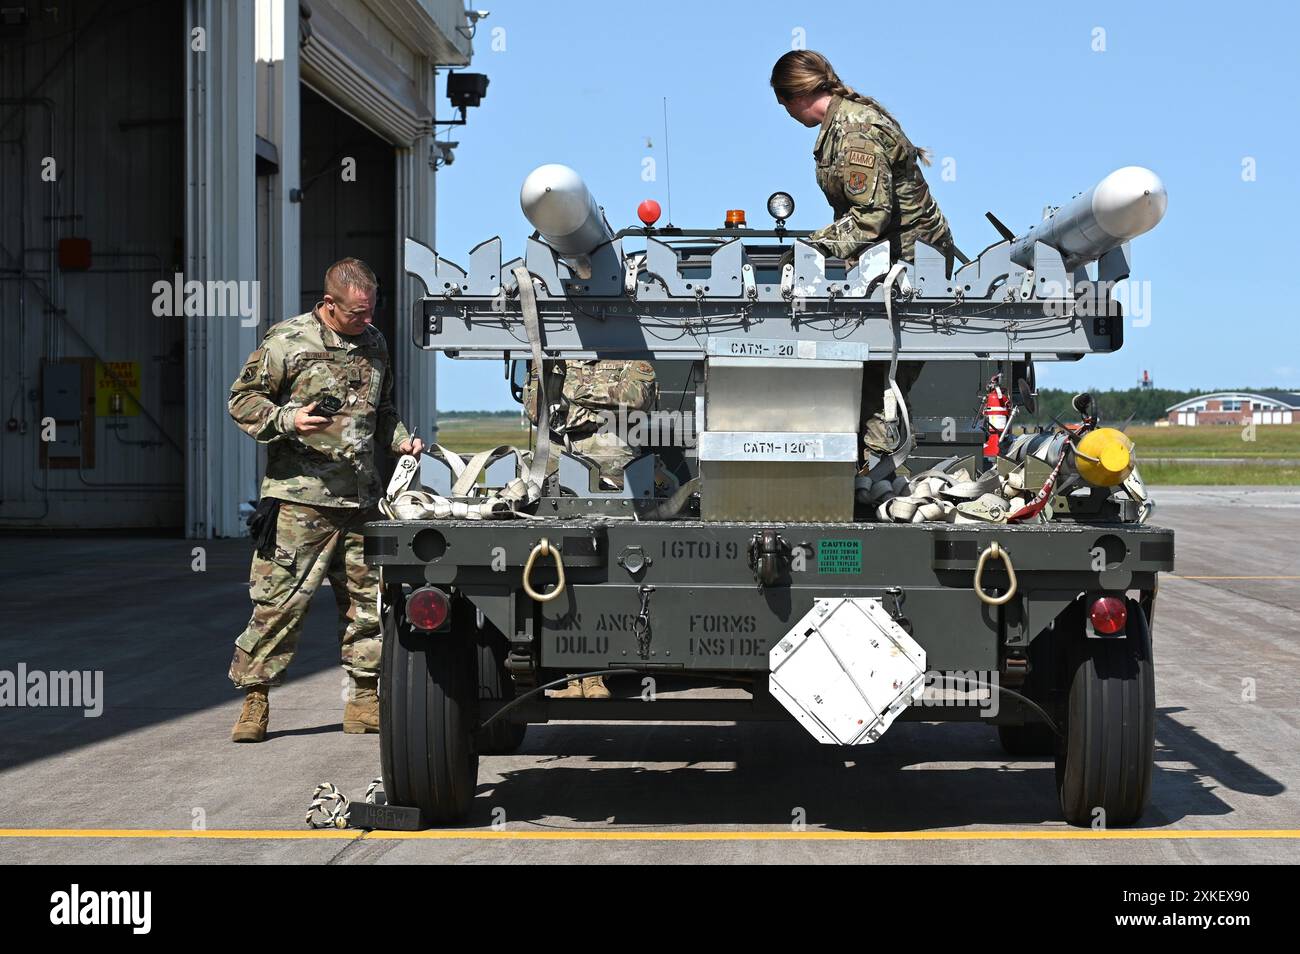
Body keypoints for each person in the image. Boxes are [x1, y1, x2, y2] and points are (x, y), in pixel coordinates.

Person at [226, 258, 424, 742]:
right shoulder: (287, 341)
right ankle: (256, 700)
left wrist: (400, 439)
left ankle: (363, 700)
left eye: (371, 310)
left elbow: (383, 410)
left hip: (360, 500)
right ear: (328, 304)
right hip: (301, 501)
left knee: (368, 605)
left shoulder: (375, 344)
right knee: (279, 603)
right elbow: (242, 400)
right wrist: (289, 420)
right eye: (357, 313)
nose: (367, 320)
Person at [771, 50, 964, 463]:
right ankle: (864, 473)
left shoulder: (856, 131)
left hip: (913, 266)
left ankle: (876, 475)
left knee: (880, 379)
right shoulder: (840, 126)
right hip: (885, 261)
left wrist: (812, 247)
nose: (784, 112)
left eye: (782, 101)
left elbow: (871, 218)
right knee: (861, 371)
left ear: (797, 94)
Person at [523, 358, 659, 699]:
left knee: (607, 575)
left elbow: (638, 398)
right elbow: (534, 406)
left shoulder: (629, 352)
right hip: (558, 478)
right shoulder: (553, 358)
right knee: (564, 572)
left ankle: (596, 676)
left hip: (614, 481)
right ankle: (572, 676)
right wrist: (604, 409)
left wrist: (574, 398)